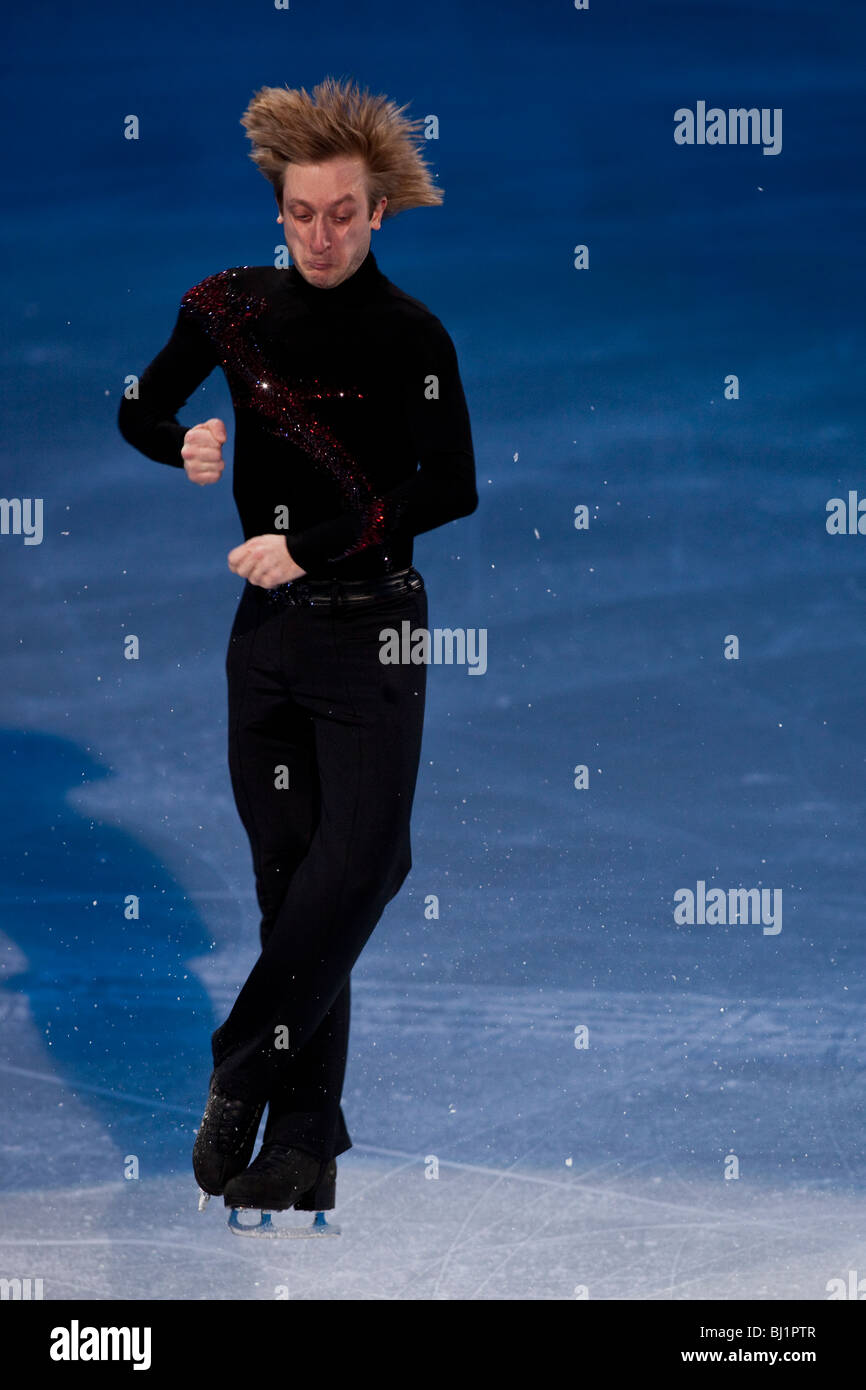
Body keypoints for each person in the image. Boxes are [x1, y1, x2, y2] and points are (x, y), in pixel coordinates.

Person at [117, 77, 477, 1218]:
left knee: (362, 868)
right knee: (296, 899)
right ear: (277, 209)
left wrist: (306, 549)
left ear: (377, 214)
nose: (321, 236)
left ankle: (242, 1064)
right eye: (301, 213)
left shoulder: (409, 335)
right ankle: (304, 1146)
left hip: (371, 631)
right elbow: (138, 402)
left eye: (343, 214)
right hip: (263, 644)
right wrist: (181, 442)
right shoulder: (227, 308)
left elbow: (447, 486)